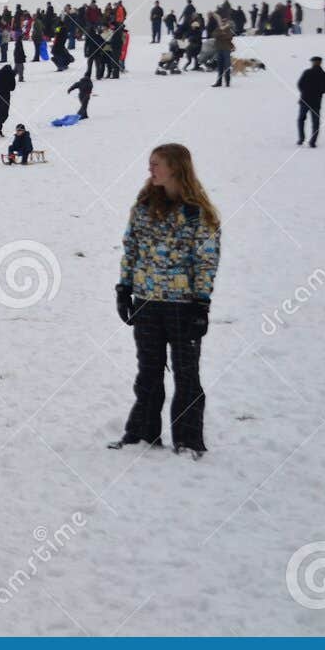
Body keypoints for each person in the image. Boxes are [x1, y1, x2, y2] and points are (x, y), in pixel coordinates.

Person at [110, 144, 221, 458]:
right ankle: (142, 434)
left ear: (175, 167)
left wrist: (202, 305)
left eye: (156, 164)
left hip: (183, 306)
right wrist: (124, 289)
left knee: (186, 374)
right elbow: (131, 249)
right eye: (150, 164)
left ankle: (188, 441)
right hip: (146, 302)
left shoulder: (196, 213)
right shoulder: (144, 205)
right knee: (148, 372)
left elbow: (206, 261)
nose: (151, 170)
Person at [296, 56, 325, 147]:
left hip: (305, 100)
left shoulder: (307, 72)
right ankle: (312, 141)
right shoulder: (324, 75)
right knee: (315, 122)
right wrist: (320, 91)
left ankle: (302, 139)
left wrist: (305, 91)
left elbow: (300, 84)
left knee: (302, 120)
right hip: (316, 101)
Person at [0, 62, 16, 137]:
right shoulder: (11, 74)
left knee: (0, 113)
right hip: (5, 95)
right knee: (5, 114)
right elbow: (12, 88)